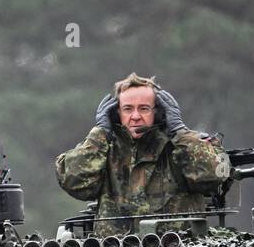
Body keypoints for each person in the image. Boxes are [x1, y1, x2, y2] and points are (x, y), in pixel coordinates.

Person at [55, 74, 230, 236]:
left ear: (159, 112)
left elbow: (212, 175)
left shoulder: (182, 146)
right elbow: (75, 182)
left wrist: (179, 131)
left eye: (144, 108)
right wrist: (99, 133)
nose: (135, 116)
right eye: (128, 109)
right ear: (116, 114)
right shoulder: (102, 149)